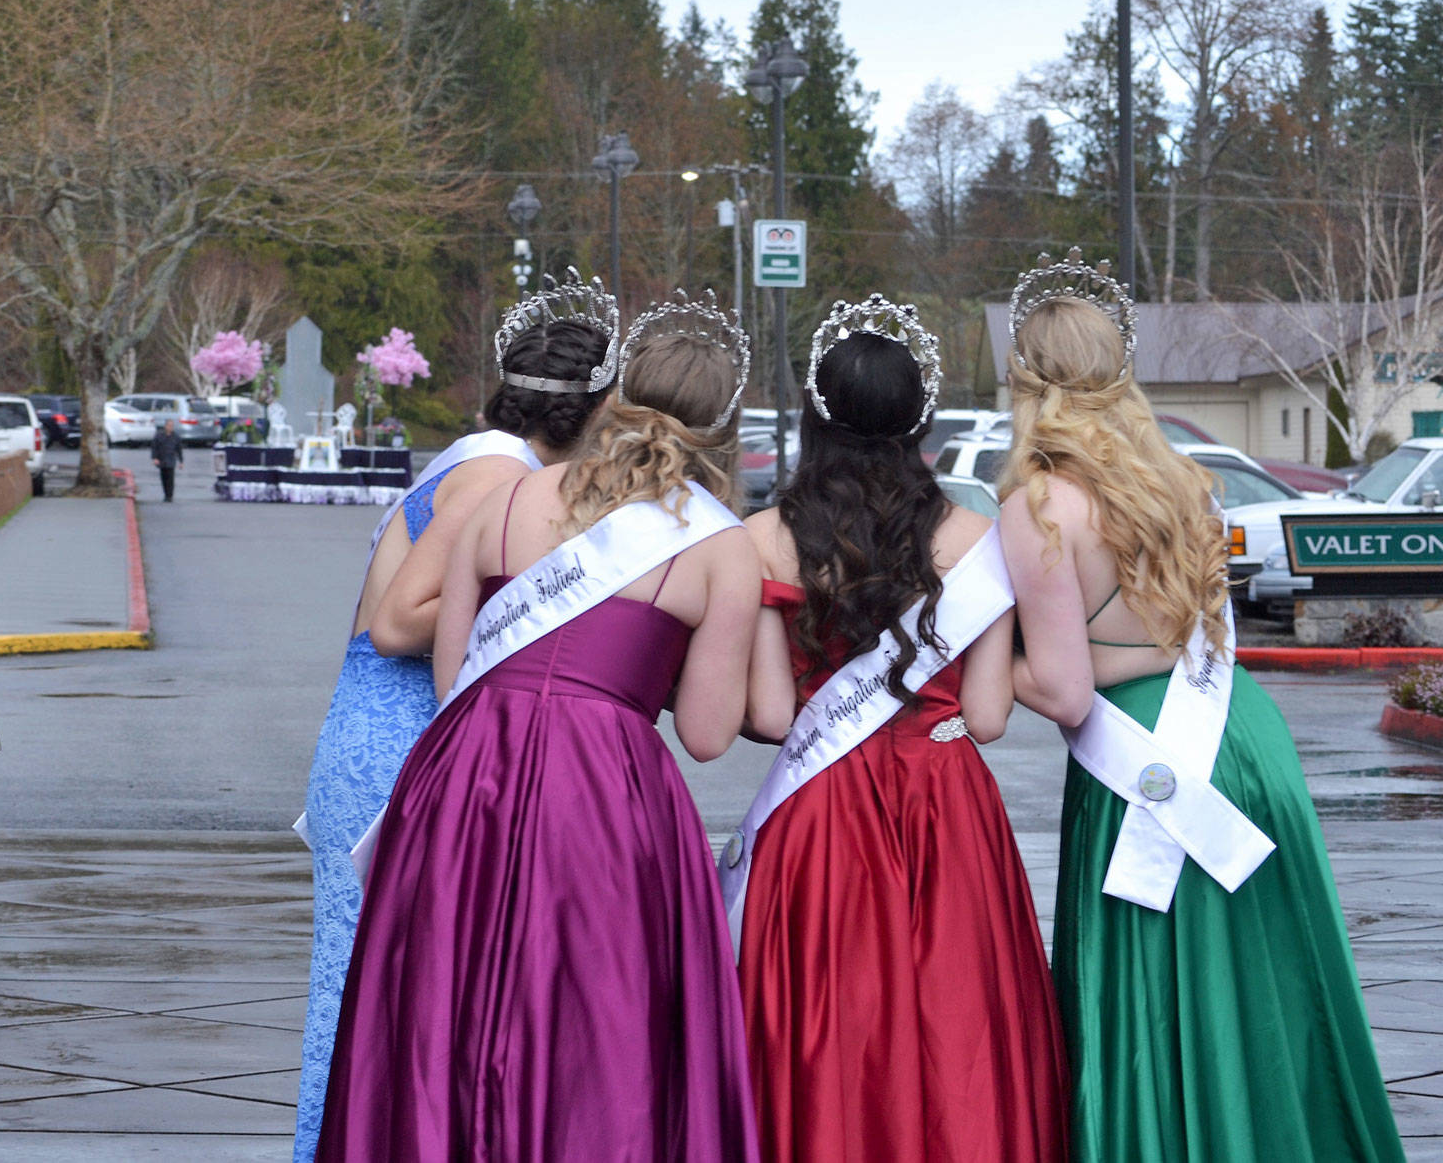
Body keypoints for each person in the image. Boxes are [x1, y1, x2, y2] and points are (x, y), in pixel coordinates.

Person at [317, 294, 763, 1161]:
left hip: (468, 775)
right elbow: (709, 731)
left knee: (446, 1007)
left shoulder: (510, 497)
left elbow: (455, 673)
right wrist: (627, 671)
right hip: (605, 791)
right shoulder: (720, 544)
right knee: (592, 1025)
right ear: (721, 423)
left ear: (617, 393)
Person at [999, 260, 1403, 1162]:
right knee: (1267, 981)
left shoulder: (1041, 507)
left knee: (1156, 992)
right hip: (1245, 738)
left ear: (1029, 381)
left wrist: (991, 665)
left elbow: (1063, 690)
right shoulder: (1184, 480)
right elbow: (1192, 634)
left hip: (1140, 757)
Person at [728, 296, 1069, 1162]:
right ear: (921, 418)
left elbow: (770, 717)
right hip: (945, 804)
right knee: (952, 1022)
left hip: (822, 809)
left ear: (815, 414)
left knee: (830, 1028)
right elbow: (987, 717)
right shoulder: (981, 540)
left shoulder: (766, 540)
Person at [292, 270, 618, 1163]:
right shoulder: (495, 472)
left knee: (385, 996)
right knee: (365, 997)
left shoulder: (492, 461)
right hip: (396, 737)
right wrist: (540, 595)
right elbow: (399, 620)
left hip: (394, 733)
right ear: (584, 417)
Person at [149, 418, 182, 501]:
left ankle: (169, 495)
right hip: (162, 459)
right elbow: (154, 447)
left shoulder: (176, 437)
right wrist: (155, 458)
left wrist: (181, 461)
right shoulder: (159, 436)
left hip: (171, 460)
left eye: (172, 426)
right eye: (169, 425)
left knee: (170, 478)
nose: (170, 427)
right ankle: (166, 494)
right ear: (165, 426)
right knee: (164, 478)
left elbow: (179, 449)